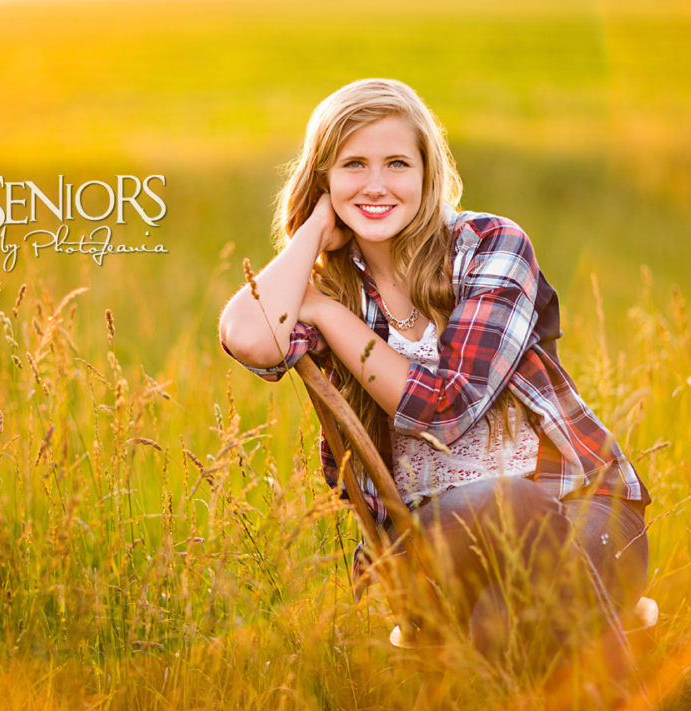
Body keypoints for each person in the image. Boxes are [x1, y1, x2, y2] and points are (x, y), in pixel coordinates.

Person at [218, 78, 650, 658]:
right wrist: (314, 237)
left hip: (582, 510)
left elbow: (444, 409)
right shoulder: (323, 283)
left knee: (503, 615)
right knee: (507, 551)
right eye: (352, 165)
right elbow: (247, 337)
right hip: (432, 535)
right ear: (322, 179)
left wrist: (324, 315)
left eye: (397, 163)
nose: (375, 185)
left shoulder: (490, 244)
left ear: (427, 173)